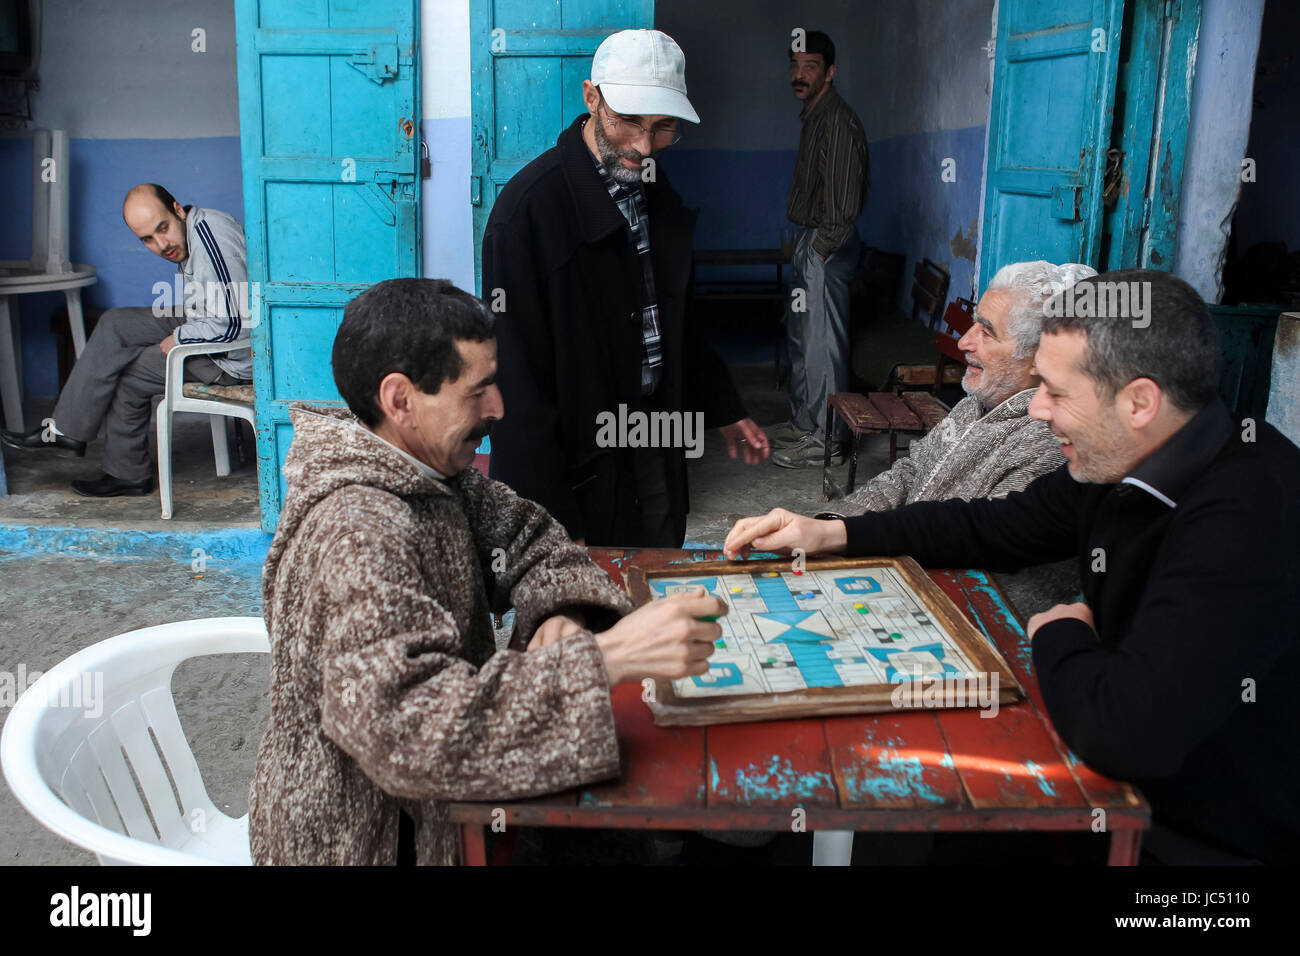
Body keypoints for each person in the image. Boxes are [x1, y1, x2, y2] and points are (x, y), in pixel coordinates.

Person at [723, 269, 1300, 865]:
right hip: (1117, 786)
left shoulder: (1248, 517)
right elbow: (992, 525)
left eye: (1055, 391)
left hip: (1202, 845)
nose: (1040, 411)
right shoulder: (1124, 459)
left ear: (1139, 402)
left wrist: (1061, 632)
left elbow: (1125, 731)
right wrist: (832, 531)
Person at [248, 278, 724, 866]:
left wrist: (560, 610)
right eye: (478, 391)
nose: (498, 408)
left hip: (444, 816)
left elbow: (532, 536)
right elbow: (409, 732)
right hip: (370, 842)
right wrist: (608, 658)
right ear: (401, 400)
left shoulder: (431, 475)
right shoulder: (356, 533)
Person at [483, 28, 769, 548]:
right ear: (592, 97)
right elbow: (517, 392)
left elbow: (674, 319)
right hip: (576, 458)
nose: (643, 146)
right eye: (628, 122)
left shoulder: (656, 193)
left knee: (654, 576)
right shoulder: (528, 213)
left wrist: (722, 405)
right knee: (581, 606)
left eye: (663, 129)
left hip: (653, 436)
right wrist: (534, 530)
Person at [0, 184, 251, 497]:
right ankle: (65, 430)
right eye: (147, 239)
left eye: (163, 229)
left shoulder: (213, 236)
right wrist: (183, 330)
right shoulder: (192, 230)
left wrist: (179, 337)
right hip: (205, 320)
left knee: (131, 372)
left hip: (231, 358)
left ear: (176, 209)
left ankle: (128, 473)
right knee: (115, 324)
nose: (162, 245)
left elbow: (238, 325)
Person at [835, 261, 1095, 512]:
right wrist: (840, 520)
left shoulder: (1043, 446)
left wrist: (853, 538)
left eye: (987, 332)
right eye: (975, 323)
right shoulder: (972, 405)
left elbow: (974, 545)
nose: (963, 343)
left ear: (1041, 355)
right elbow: (913, 468)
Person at [770, 30, 871, 469]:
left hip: (828, 246)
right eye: (794, 65)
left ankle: (828, 439)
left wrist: (820, 251)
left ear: (829, 72)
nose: (799, 74)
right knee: (802, 339)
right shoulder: (814, 115)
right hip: (811, 241)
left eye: (809, 66)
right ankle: (805, 422)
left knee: (823, 344)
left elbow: (844, 208)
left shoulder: (838, 120)